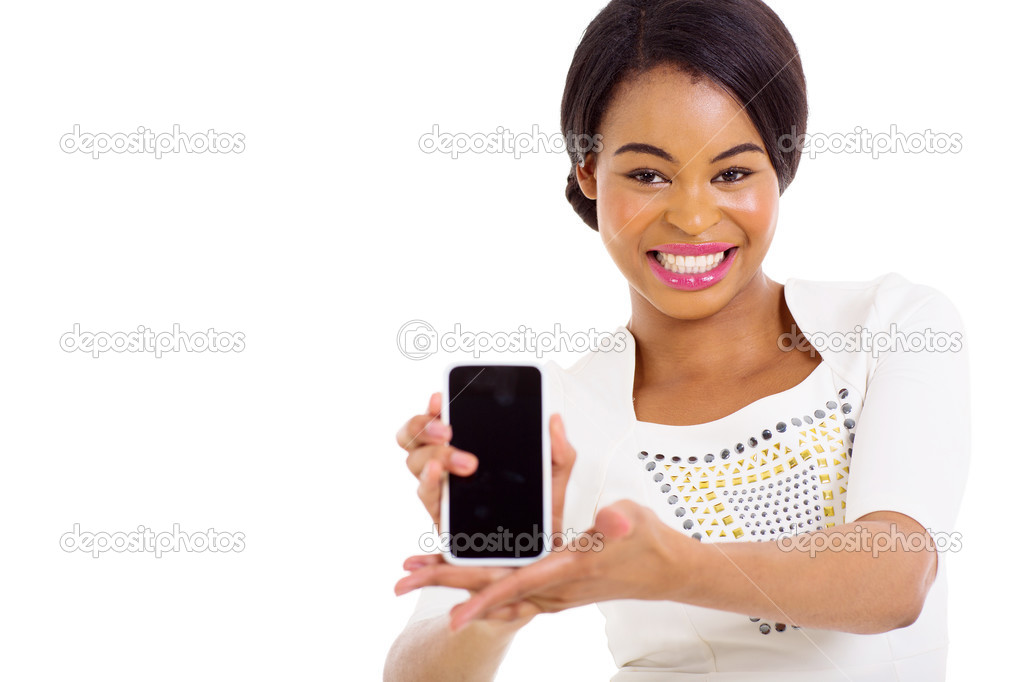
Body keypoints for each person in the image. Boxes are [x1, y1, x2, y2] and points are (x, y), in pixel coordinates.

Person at [384, 0, 970, 679]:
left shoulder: (890, 326)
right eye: (648, 174)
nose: (693, 217)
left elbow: (894, 579)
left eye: (731, 172)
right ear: (586, 172)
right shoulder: (559, 423)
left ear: (780, 169)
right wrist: (499, 595)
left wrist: (675, 566)